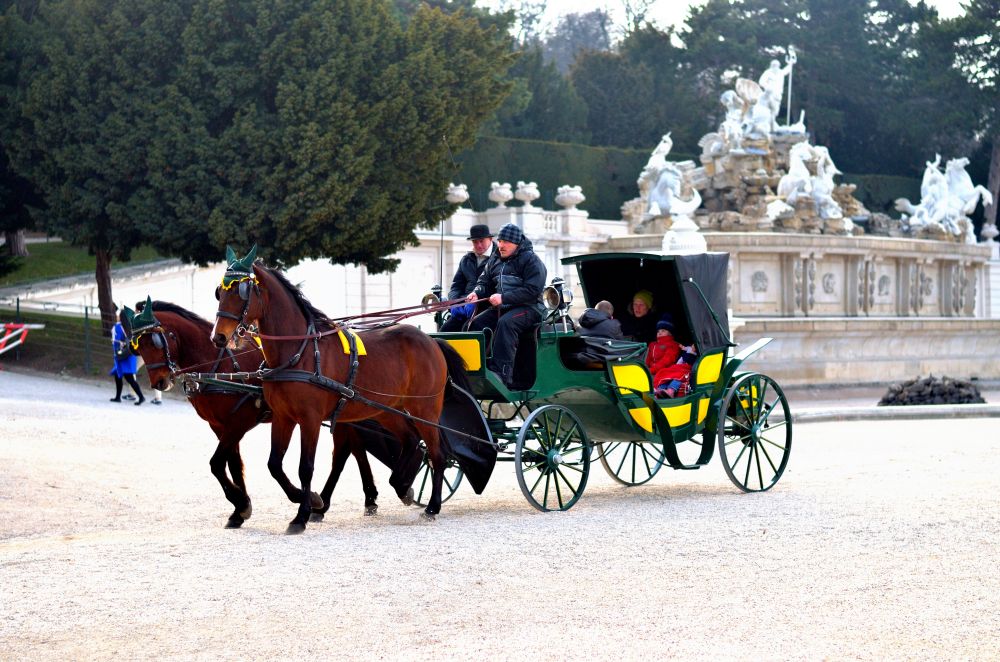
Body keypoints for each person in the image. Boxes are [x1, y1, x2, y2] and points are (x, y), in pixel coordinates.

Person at [466, 222, 547, 388]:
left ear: (516, 244)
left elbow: (533, 290)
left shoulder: (531, 260)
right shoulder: (495, 258)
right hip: (505, 307)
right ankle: (475, 368)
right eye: (500, 241)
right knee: (476, 323)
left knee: (506, 323)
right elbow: (484, 281)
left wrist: (504, 298)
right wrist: (477, 292)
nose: (501, 245)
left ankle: (502, 373)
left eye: (505, 242)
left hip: (530, 308)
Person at [440, 224, 495, 332]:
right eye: (475, 242)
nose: (479, 245)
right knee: (444, 331)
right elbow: (456, 286)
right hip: (464, 306)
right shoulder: (466, 259)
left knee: (468, 329)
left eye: (481, 241)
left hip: (486, 306)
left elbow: (498, 286)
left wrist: (477, 301)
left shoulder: (498, 258)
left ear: (490, 239)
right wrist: (454, 302)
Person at [645, 317, 695, 398]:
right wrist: (645, 369)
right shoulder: (652, 345)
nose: (659, 333)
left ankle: (667, 391)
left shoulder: (673, 345)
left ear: (670, 333)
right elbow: (647, 360)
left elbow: (667, 360)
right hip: (651, 371)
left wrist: (651, 370)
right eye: (658, 331)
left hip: (663, 369)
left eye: (663, 331)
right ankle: (658, 392)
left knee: (674, 375)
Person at [109, 304, 145, 405]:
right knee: (118, 375)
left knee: (128, 377)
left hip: (122, 355)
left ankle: (141, 397)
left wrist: (115, 344)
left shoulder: (118, 327)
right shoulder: (132, 326)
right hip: (130, 354)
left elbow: (115, 341)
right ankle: (117, 397)